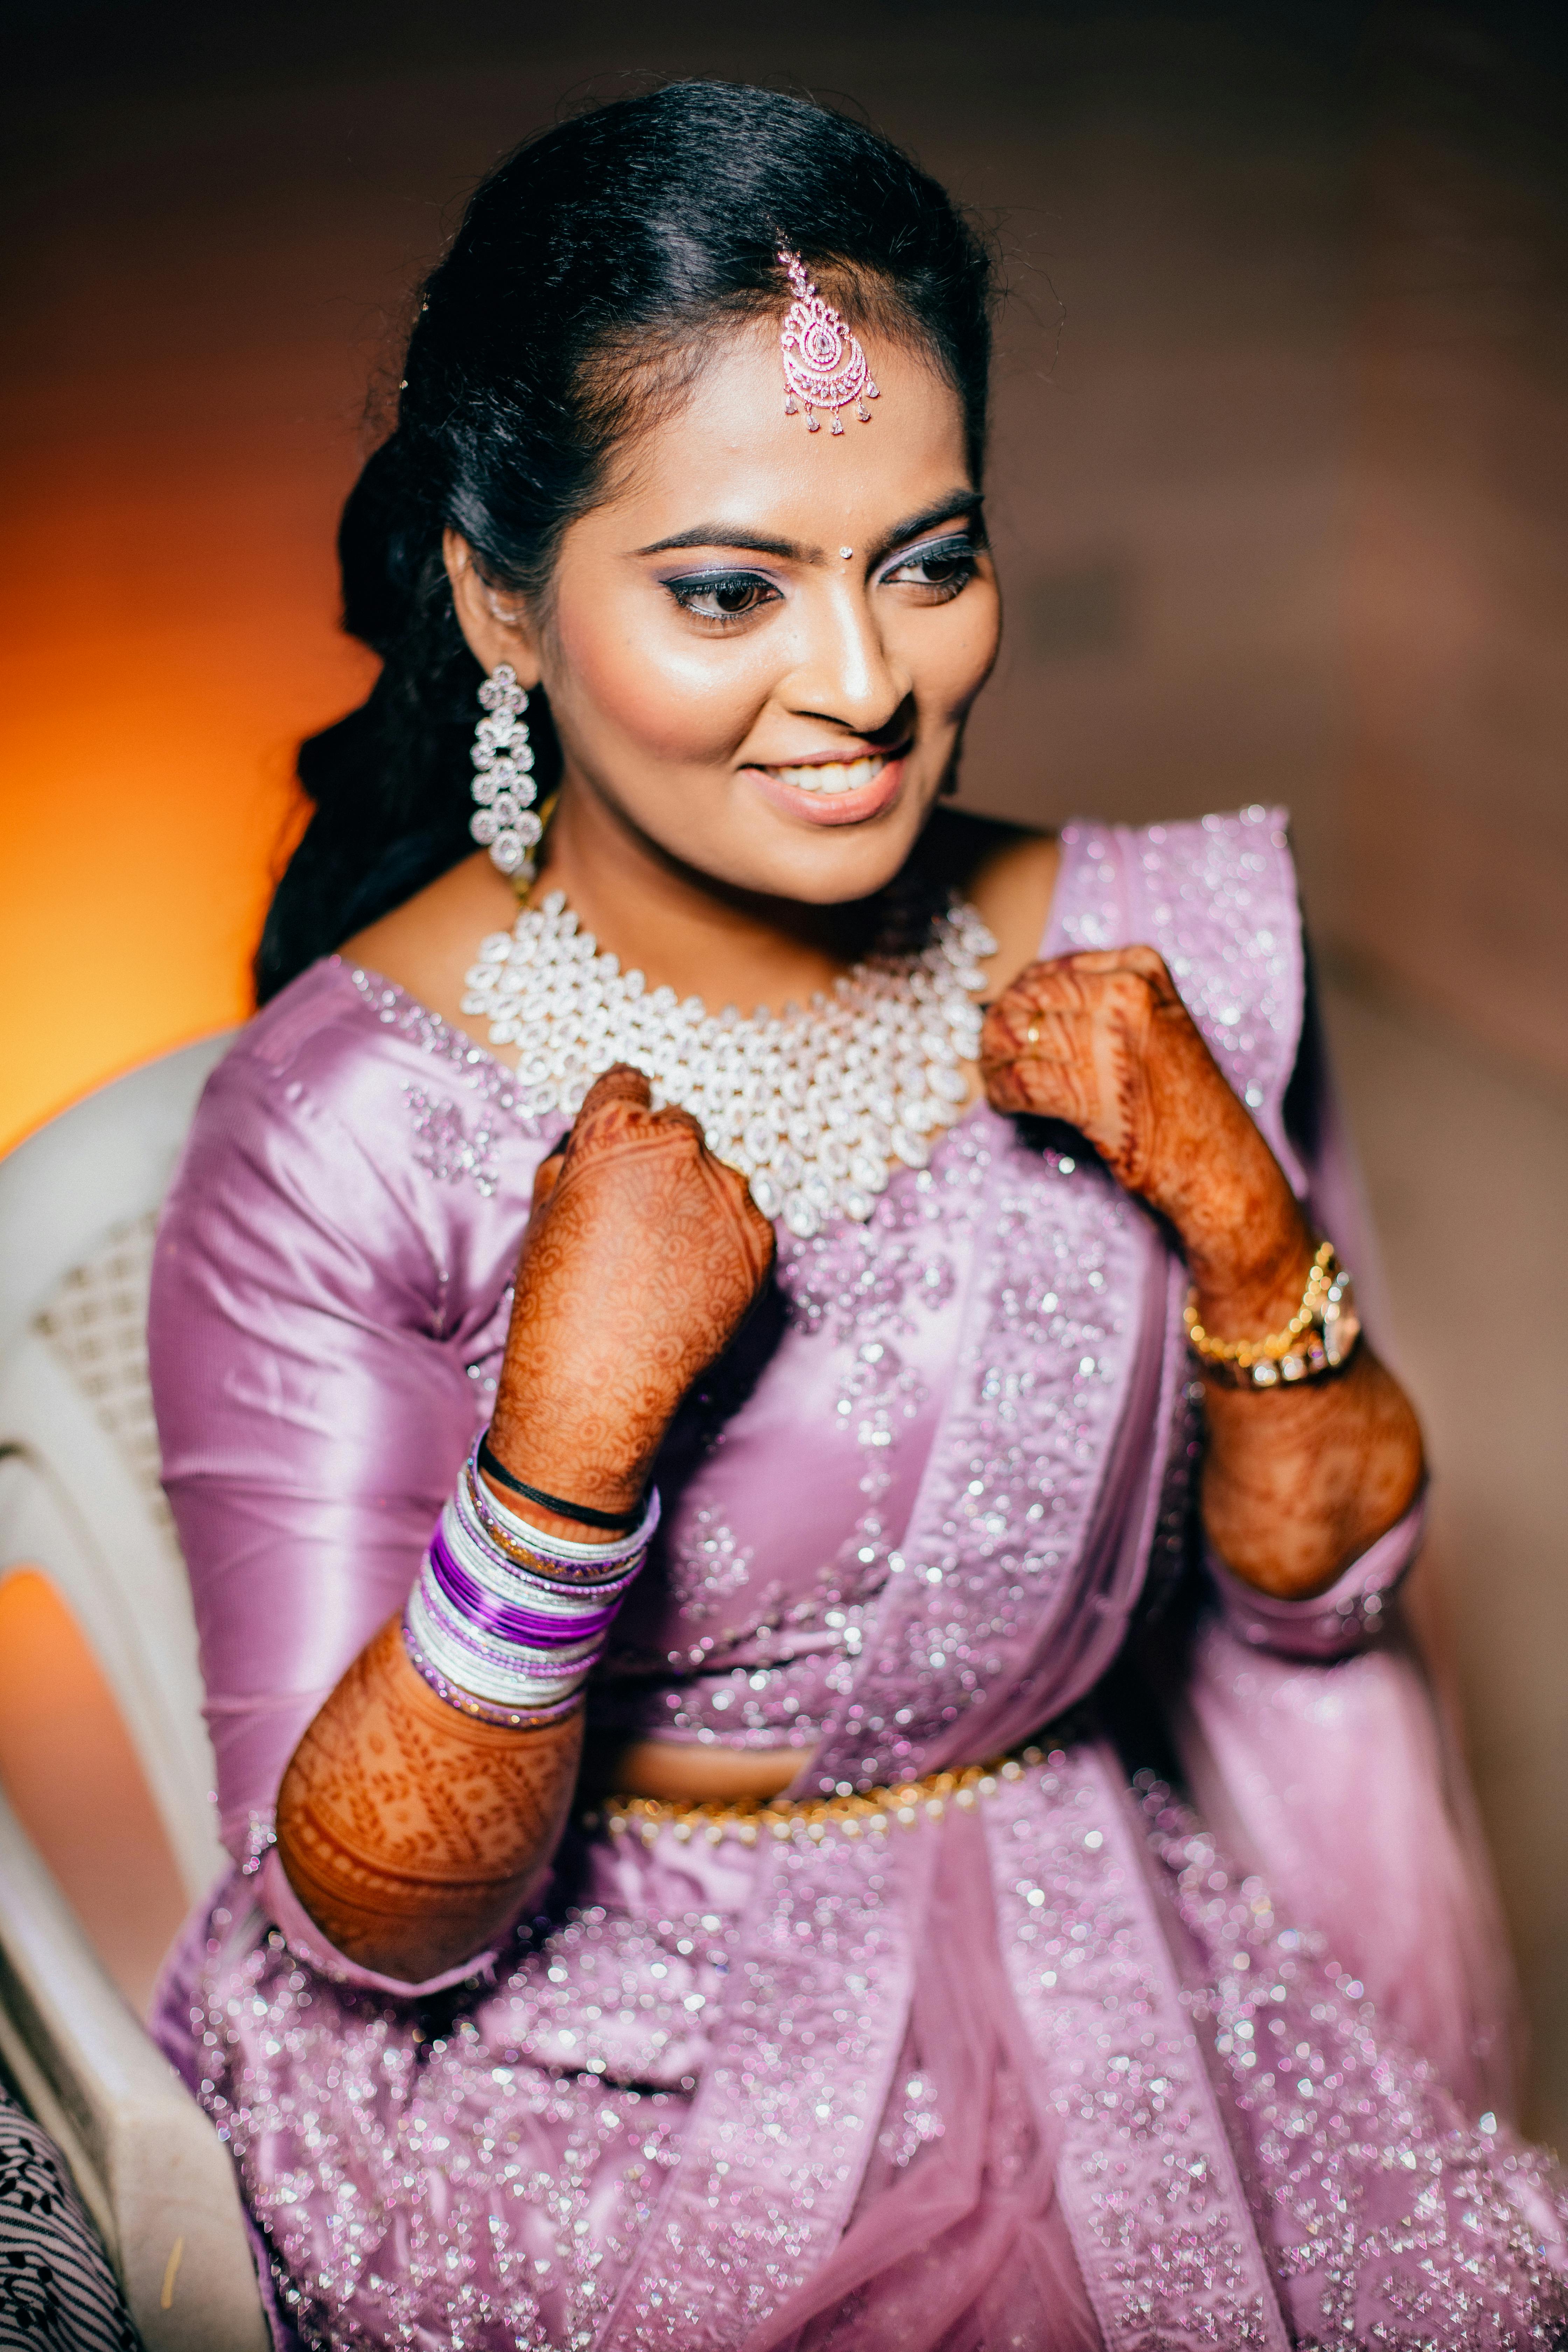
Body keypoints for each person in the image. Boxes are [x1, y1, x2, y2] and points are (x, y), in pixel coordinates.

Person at [147, 80, 1568, 2352]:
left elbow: (1323, 1591)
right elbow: (367, 1929)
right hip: (582, 2074)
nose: (867, 680)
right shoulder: (350, 1119)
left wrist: (1232, 1202)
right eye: (730, 589)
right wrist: (568, 1447)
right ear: (498, 602)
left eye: (925, 557)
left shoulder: (1153, 946)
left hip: (1101, 1914)